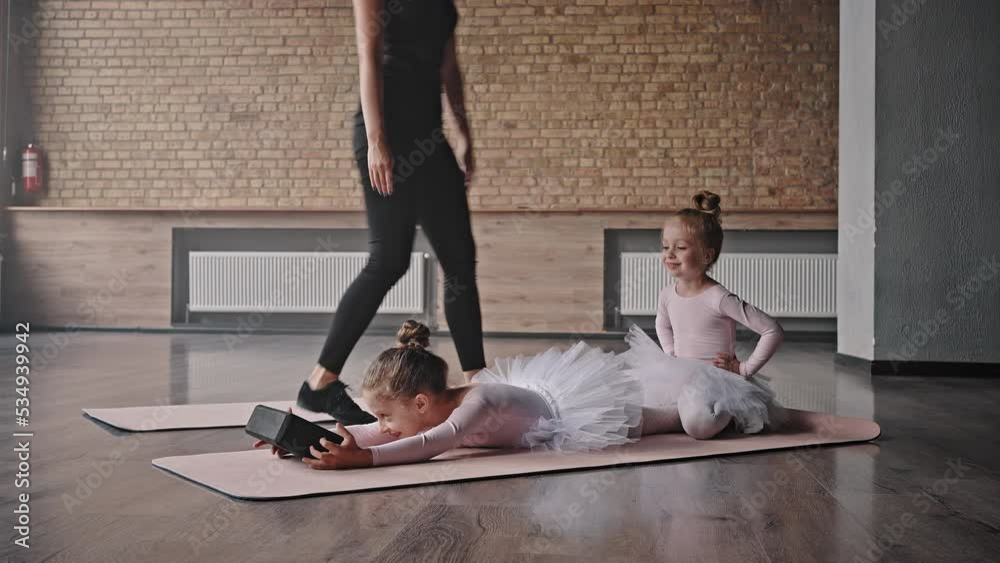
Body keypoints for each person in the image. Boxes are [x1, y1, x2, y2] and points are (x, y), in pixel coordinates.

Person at [297, 0, 485, 425]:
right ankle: (319, 383)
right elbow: (370, 57)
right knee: (389, 260)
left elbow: (449, 68)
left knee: (460, 258)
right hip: (386, 131)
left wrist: (464, 131)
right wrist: (378, 140)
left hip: (431, 137)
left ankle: (477, 379)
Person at [256, 320, 644, 469]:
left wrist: (364, 460)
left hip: (566, 407)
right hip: (532, 398)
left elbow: (433, 443)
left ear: (420, 403)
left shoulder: (478, 403)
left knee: (654, 422)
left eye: (386, 415)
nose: (381, 425)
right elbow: (371, 435)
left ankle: (691, 410)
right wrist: (307, 441)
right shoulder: (419, 411)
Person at [620, 191, 787, 440]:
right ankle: (674, 417)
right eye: (666, 247)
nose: (669, 254)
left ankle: (727, 414)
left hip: (716, 378)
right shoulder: (667, 294)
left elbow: (772, 330)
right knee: (632, 404)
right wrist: (670, 355)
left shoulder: (718, 297)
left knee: (700, 425)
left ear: (707, 255)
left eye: (681, 247)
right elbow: (662, 324)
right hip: (679, 373)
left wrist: (744, 369)